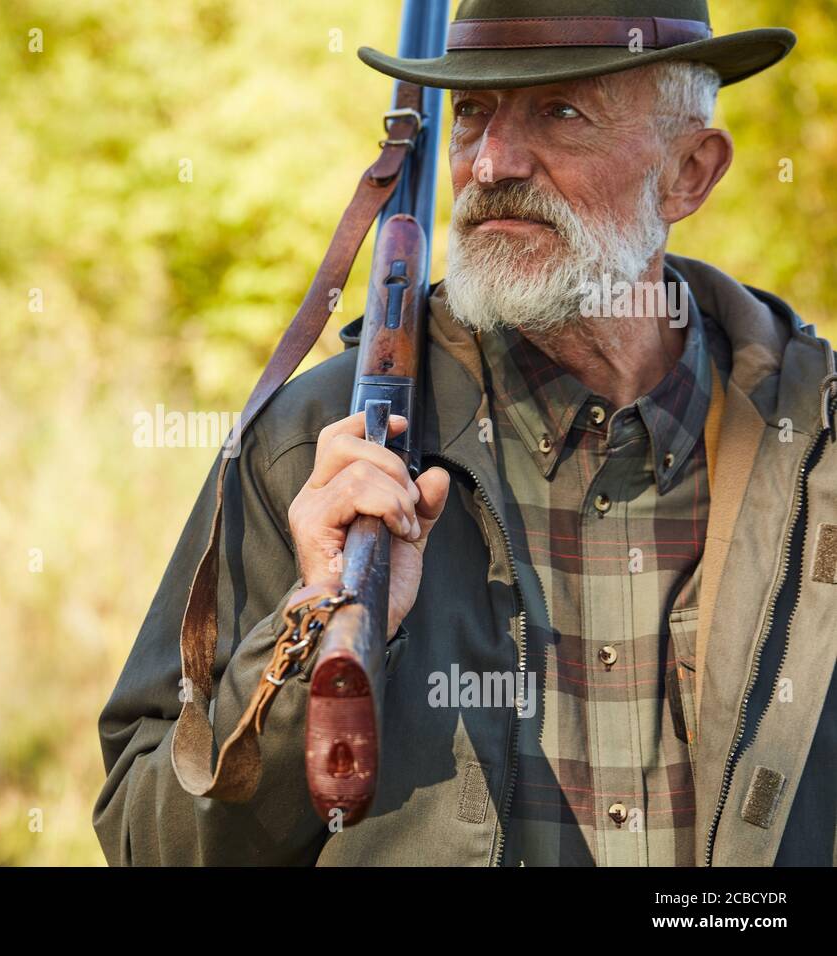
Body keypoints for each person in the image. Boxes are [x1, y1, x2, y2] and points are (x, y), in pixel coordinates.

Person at [95, 0, 836, 865]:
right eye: (473, 113)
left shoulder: (814, 452)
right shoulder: (314, 449)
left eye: (561, 111)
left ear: (690, 172)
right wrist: (309, 635)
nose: (491, 162)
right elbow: (150, 843)